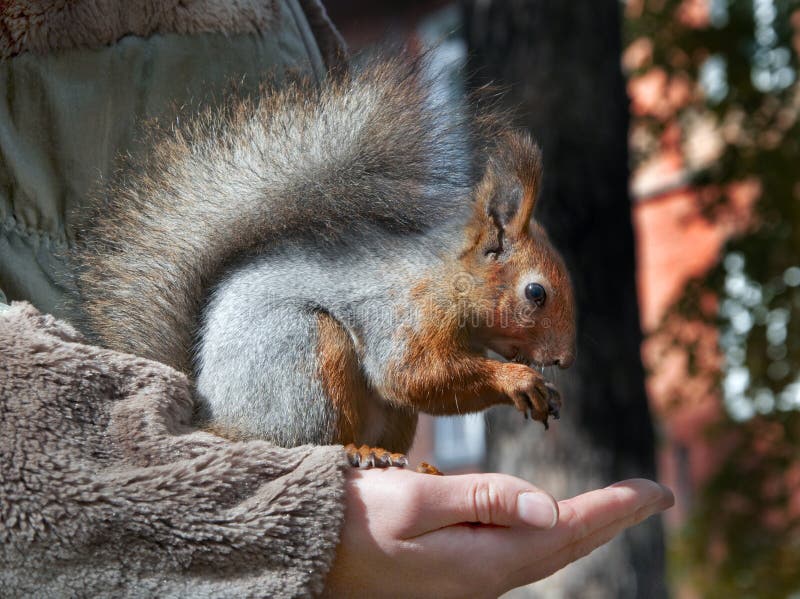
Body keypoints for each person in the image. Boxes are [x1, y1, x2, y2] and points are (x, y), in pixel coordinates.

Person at [0, 1, 673, 596]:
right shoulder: (429, 289)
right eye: (534, 300)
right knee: (335, 345)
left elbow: (415, 391)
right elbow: (409, 372)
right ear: (492, 243)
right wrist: (303, 522)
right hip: (263, 359)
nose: (558, 350)